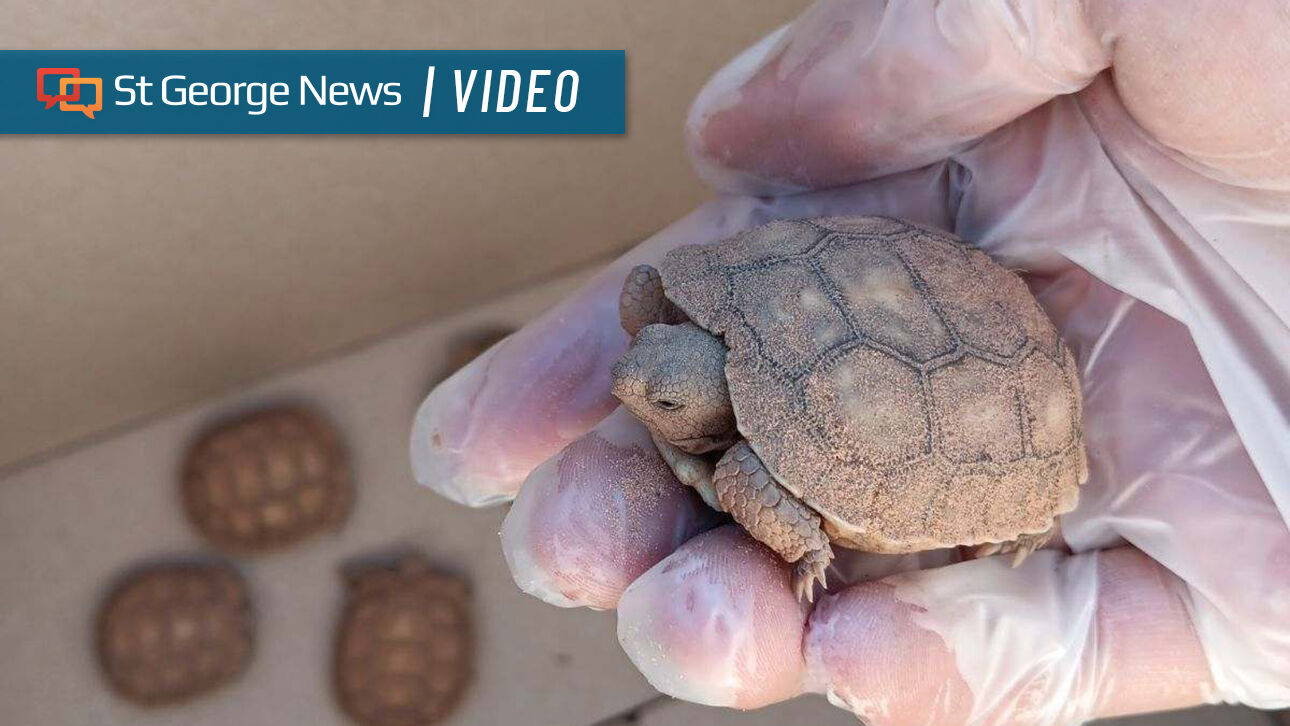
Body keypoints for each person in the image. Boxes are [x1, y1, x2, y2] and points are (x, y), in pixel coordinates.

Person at [411, 2, 1290, 723]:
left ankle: (1013, 511)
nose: (632, 383)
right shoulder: (683, 334)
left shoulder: (751, 458)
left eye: (663, 398)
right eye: (654, 371)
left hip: (1006, 399)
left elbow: (755, 468)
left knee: (741, 523)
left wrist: (799, 545)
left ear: (712, 417)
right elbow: (650, 302)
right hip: (937, 284)